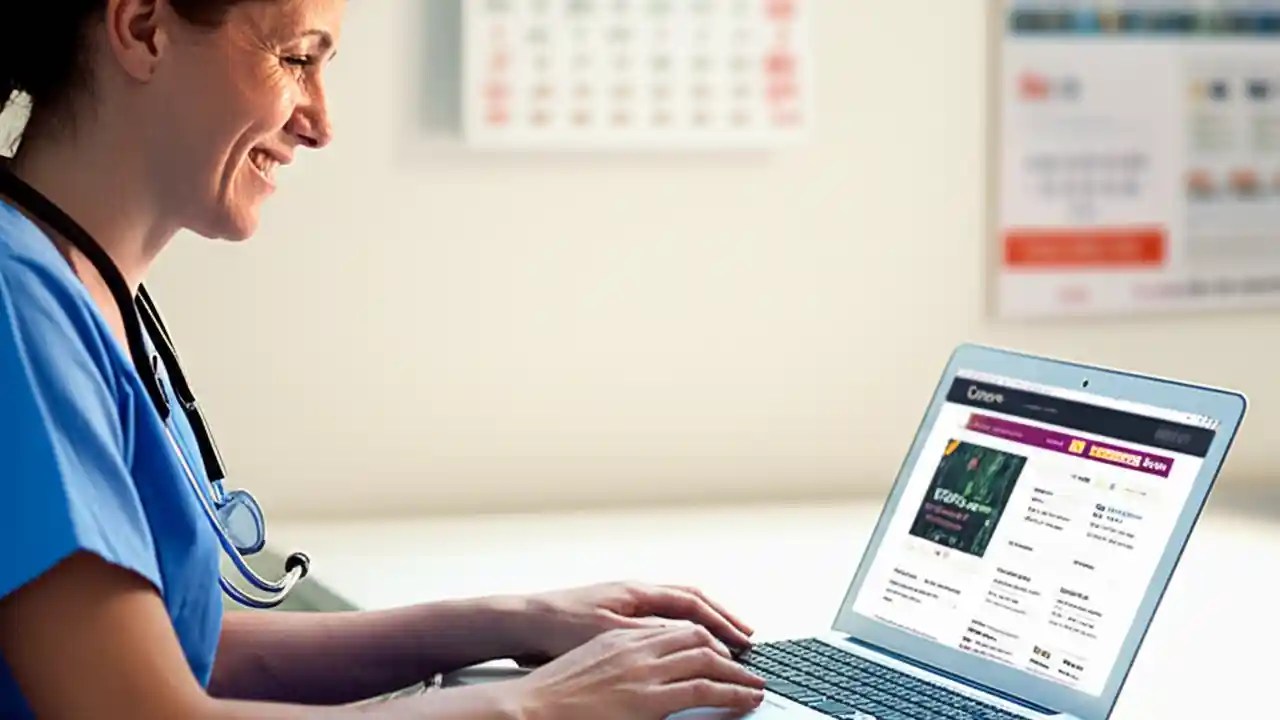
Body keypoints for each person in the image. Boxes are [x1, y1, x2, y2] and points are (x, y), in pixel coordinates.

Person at [0, 1, 768, 718]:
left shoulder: (75, 285)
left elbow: (180, 652)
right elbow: (142, 709)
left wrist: (513, 620)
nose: (320, 124)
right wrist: (536, 705)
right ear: (143, 29)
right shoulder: (16, 303)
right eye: (296, 60)